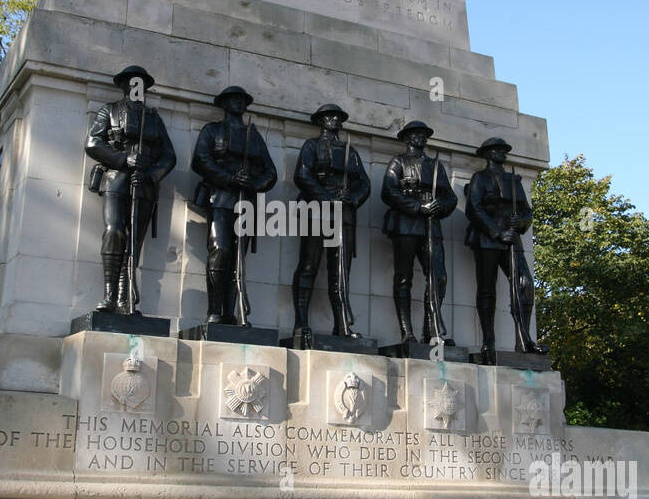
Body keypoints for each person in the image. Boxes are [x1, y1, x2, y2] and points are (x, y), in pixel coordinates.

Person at [85, 65, 176, 314]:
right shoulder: (110, 111)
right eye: (132, 83)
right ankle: (108, 295)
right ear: (125, 86)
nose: (136, 87)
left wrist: (150, 173)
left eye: (141, 84)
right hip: (116, 180)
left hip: (144, 185)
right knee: (114, 232)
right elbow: (93, 143)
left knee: (134, 242)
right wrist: (123, 159)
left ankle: (125, 299)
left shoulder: (154, 119)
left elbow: (169, 156)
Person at [191, 86, 277, 326]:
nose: (238, 103)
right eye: (233, 99)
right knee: (221, 250)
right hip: (220, 197)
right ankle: (214, 311)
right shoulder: (213, 130)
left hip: (246, 201)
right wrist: (228, 178)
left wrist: (254, 183)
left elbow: (271, 172)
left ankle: (231, 313)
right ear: (224, 103)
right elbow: (200, 160)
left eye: (242, 100)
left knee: (239, 258)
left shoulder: (254, 136)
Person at [291, 103, 370, 345]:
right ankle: (301, 323)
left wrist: (353, 198)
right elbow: (302, 175)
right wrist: (326, 197)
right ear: (321, 121)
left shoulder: (350, 152)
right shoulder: (311, 146)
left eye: (337, 117)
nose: (334, 120)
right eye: (329, 116)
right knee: (308, 265)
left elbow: (365, 183)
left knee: (340, 273)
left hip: (344, 214)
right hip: (317, 210)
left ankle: (342, 325)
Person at [464, 136, 547, 364]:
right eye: (497, 150)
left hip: (512, 240)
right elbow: (474, 208)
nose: (502, 153)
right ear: (488, 153)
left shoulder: (513, 180)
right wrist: (497, 232)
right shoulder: (480, 178)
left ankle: (524, 339)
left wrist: (519, 223)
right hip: (488, 239)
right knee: (487, 289)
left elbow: (527, 212)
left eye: (503, 150)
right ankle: (488, 341)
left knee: (524, 284)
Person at [382, 121, 457, 346]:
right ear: (407, 138)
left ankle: (431, 331)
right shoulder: (399, 162)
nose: (421, 137)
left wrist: (438, 206)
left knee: (439, 277)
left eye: (424, 134)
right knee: (404, 278)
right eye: (416, 134)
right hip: (406, 224)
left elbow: (451, 197)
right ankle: (407, 332)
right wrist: (416, 207)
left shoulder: (435, 166)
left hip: (431, 226)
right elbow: (388, 191)